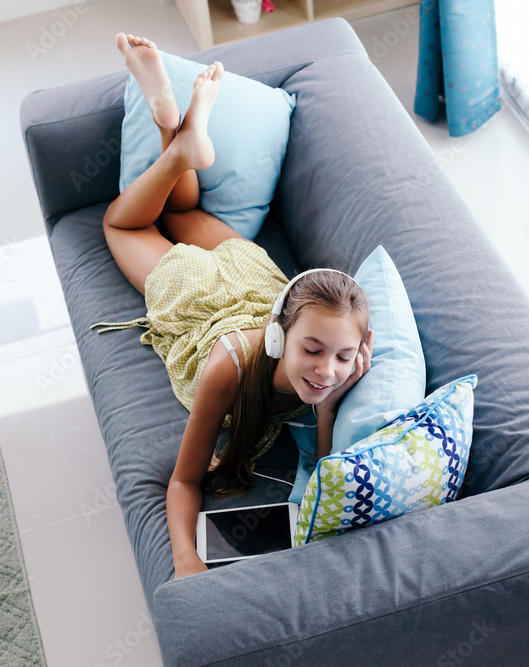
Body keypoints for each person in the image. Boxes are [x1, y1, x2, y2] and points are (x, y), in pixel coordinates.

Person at [92, 33, 375, 579]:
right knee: (122, 222)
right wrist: (185, 558)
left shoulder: (335, 370)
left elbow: (322, 464)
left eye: (342, 357)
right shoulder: (230, 367)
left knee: (180, 212)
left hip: (251, 274)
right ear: (279, 336)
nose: (326, 369)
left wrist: (330, 400)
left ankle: (175, 129)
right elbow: (183, 480)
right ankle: (174, 140)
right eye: (313, 350)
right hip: (200, 296)